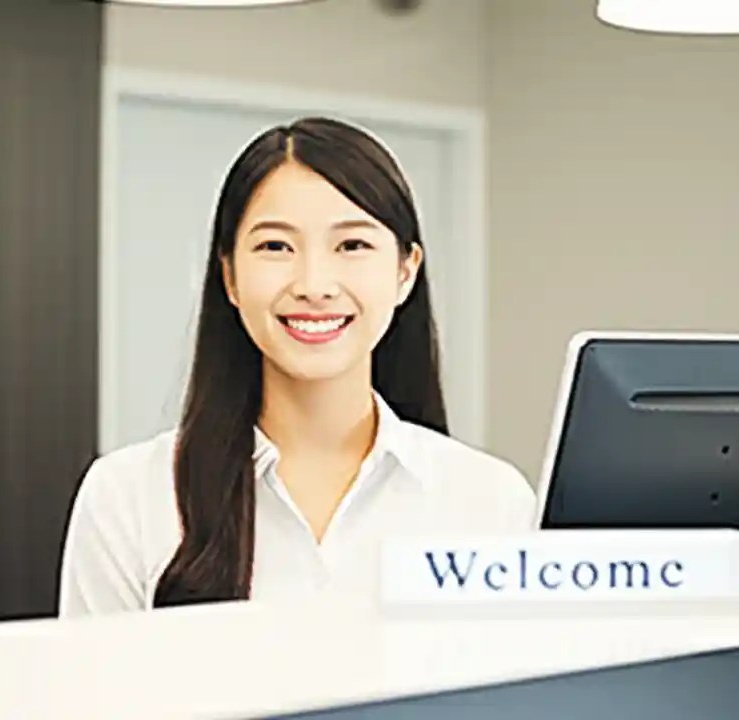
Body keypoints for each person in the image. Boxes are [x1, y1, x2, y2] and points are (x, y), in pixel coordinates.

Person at [58, 116, 536, 616]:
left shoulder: (490, 500)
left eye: (352, 245)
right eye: (275, 247)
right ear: (230, 277)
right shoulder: (128, 497)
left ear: (404, 271)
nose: (314, 284)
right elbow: (92, 693)